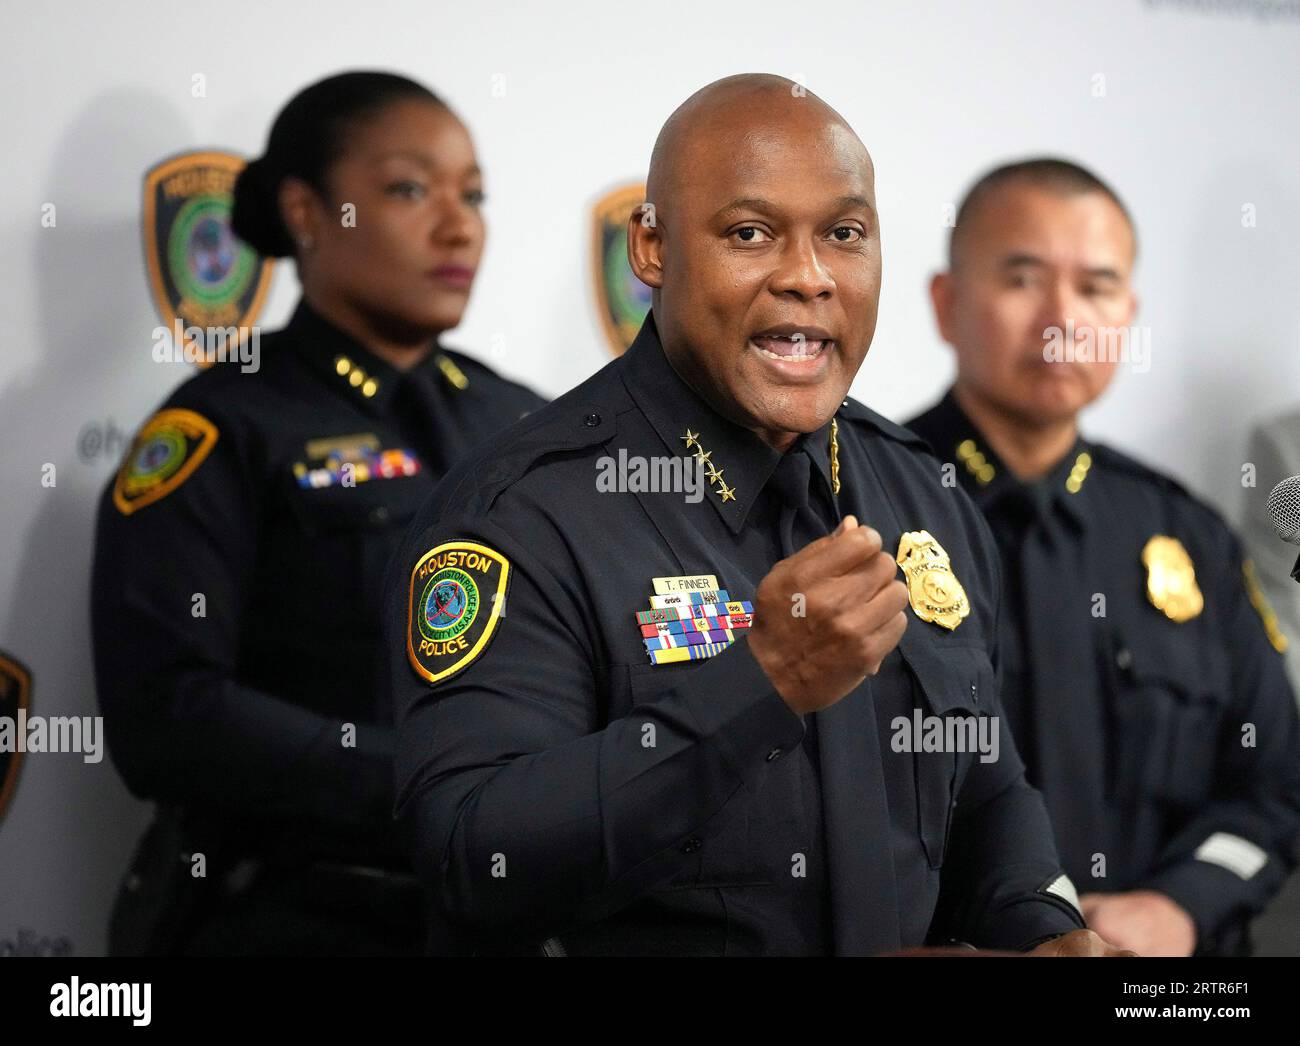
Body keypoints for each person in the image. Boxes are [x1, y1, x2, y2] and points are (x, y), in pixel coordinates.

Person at [382, 74, 1123, 957]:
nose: (808, 278)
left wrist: (1042, 931)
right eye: (749, 233)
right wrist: (760, 684)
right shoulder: (524, 514)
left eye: (844, 235)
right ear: (651, 250)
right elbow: (472, 854)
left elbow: (989, 789)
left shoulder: (927, 494)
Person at [92, 70, 544, 956]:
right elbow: (166, 716)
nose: (459, 226)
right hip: (297, 923)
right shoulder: (223, 428)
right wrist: (423, 782)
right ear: (307, 211)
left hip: (509, 922)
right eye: (410, 189)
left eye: (474, 194)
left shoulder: (528, 421)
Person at [907, 158, 1300, 956]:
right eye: (1022, 279)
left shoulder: (1186, 533)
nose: (1061, 319)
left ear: (1129, 311)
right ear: (947, 305)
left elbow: (1275, 785)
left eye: (1094, 287)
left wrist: (1181, 907)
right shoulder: (866, 508)